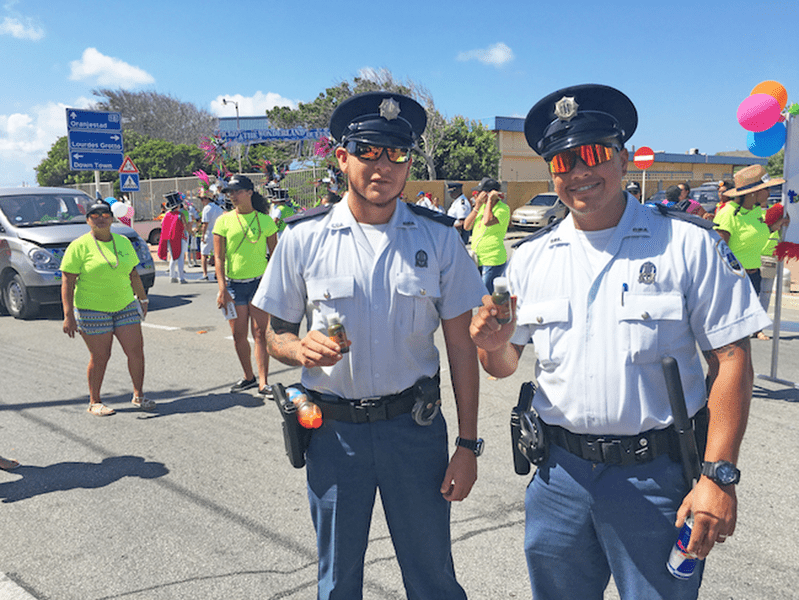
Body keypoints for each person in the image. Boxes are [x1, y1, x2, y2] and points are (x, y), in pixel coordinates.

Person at [470, 84, 771, 600]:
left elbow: (730, 360)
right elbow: (502, 364)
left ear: (623, 158)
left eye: (592, 154)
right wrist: (491, 343)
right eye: (562, 162)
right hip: (558, 479)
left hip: (655, 479)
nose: (577, 172)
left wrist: (718, 476)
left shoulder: (687, 244)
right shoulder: (531, 258)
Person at [252, 91, 485, 600]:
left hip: (414, 431)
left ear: (409, 163)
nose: (382, 165)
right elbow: (271, 333)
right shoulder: (302, 238)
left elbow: (462, 350)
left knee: (433, 578)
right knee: (337, 582)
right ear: (342, 157)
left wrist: (467, 445)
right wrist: (298, 349)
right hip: (335, 436)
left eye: (396, 153)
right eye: (367, 150)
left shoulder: (439, 240)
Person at [61, 199, 155, 416]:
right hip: (92, 309)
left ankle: (139, 395)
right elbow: (68, 281)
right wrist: (68, 315)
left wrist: (143, 299)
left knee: (135, 351)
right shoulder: (79, 246)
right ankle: (95, 401)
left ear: (112, 219)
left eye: (105, 215)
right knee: (101, 356)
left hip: (125, 305)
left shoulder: (123, 242)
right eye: (95, 215)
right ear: (88, 220)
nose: (100, 219)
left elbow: (133, 273)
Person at [213, 175, 278, 395]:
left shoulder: (265, 221)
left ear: (250, 192)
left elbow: (275, 256)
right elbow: (219, 257)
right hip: (234, 287)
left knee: (260, 333)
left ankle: (263, 382)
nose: (233, 196)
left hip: (260, 284)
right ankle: (248, 376)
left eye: (237, 191)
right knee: (239, 335)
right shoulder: (223, 221)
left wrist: (274, 285)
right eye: (230, 192)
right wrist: (222, 288)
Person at [713, 164, 788, 340]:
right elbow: (718, 251)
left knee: (743, 335)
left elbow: (753, 234)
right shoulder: (728, 214)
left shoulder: (755, 212)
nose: (769, 192)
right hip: (734, 279)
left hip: (754, 276)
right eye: (766, 189)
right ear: (753, 192)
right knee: (734, 336)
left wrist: (775, 227)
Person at [463, 176, 510, 293]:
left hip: (492, 260)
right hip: (478, 258)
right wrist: (477, 206)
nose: (477, 195)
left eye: (480, 192)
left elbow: (487, 221)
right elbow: (466, 226)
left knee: (485, 294)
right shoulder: (482, 207)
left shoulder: (503, 209)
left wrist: (489, 200)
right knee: (478, 293)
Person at [157, 192, 189, 284]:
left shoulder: (166, 215)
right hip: (180, 238)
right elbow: (185, 226)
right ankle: (181, 278)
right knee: (180, 258)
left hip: (169, 238)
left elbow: (163, 225)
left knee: (173, 257)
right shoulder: (180, 215)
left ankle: (172, 276)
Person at [199, 190, 224, 281]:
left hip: (208, 233)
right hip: (217, 232)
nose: (202, 201)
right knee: (217, 254)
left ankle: (205, 274)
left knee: (204, 254)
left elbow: (205, 223)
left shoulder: (207, 208)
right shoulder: (219, 208)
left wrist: (202, 235)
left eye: (203, 199)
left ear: (207, 199)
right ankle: (217, 273)